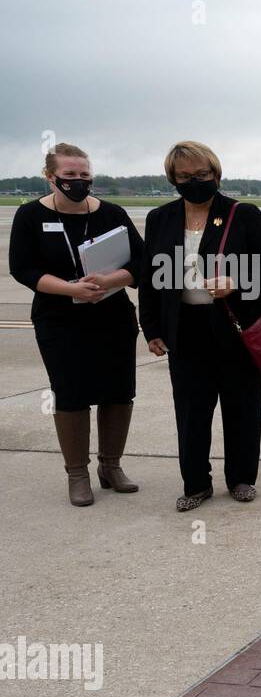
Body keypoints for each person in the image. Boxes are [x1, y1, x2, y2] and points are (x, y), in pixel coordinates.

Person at [139, 140, 261, 511]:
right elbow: (150, 278)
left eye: (202, 174)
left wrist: (237, 281)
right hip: (184, 329)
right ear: (173, 180)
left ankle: (241, 478)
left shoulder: (243, 214)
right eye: (185, 176)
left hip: (235, 327)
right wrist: (151, 328)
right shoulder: (160, 218)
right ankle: (195, 484)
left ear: (216, 174)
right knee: (191, 413)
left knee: (242, 408)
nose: (195, 181)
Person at [8, 143, 144, 506]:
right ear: (50, 177)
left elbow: (142, 261)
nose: (78, 181)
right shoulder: (30, 215)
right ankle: (77, 474)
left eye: (85, 174)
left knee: (118, 390)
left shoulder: (112, 213)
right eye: (69, 175)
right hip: (60, 319)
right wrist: (71, 289)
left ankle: (111, 466)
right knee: (71, 393)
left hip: (112, 315)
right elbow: (23, 268)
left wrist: (111, 280)